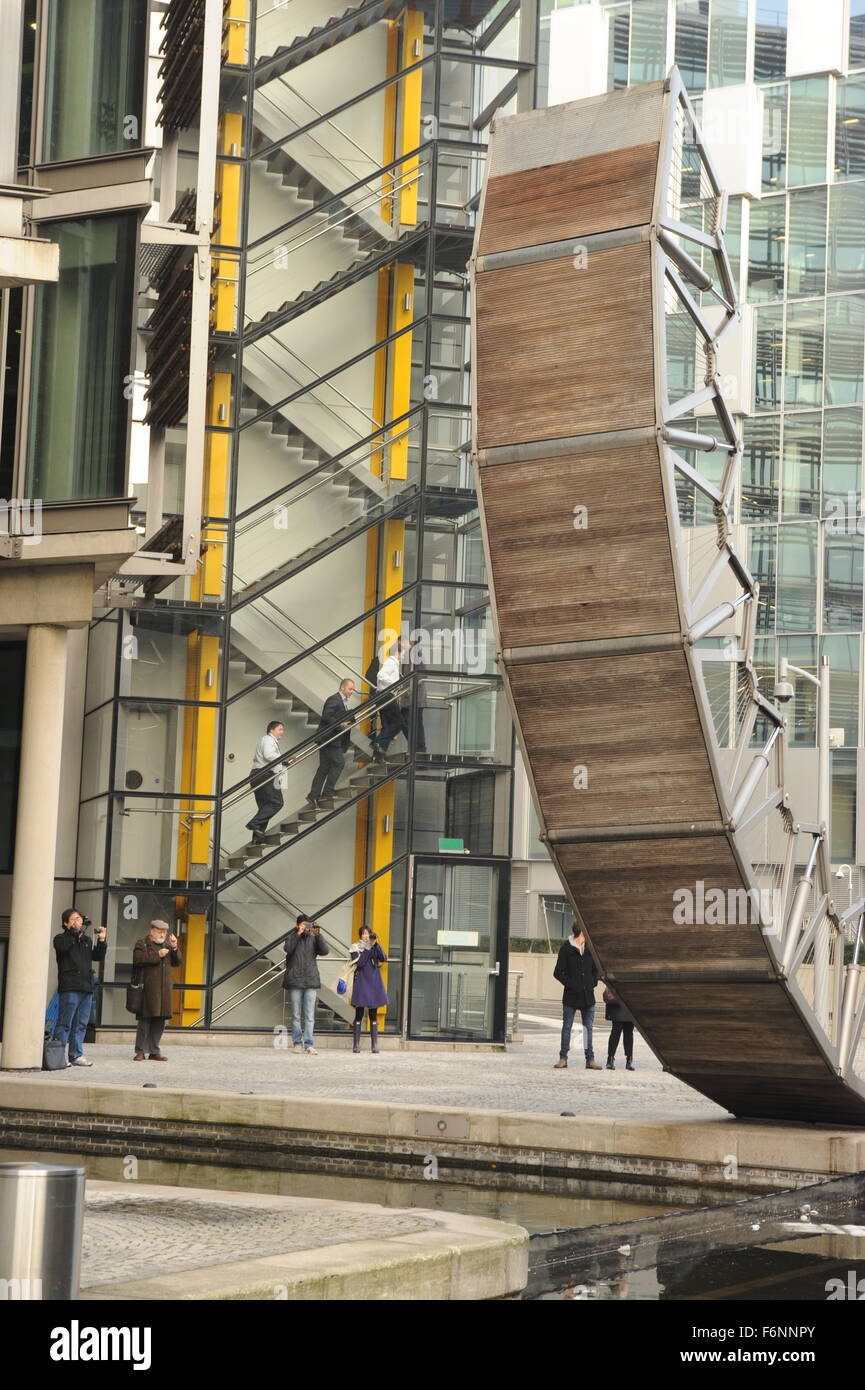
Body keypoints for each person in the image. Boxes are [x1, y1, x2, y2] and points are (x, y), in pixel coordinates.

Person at [52, 909, 107, 1067]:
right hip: (70, 987)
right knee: (65, 1023)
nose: (78, 921)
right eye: (74, 919)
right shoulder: (61, 938)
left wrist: (101, 941)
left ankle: (76, 1055)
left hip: (86, 987)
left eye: (79, 918)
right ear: (66, 923)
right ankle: (58, 1055)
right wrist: (74, 933)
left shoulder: (86, 940)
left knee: (81, 1024)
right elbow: (63, 949)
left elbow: (97, 957)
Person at [553, 923, 601, 1070]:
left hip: (588, 996)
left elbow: (596, 970)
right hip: (571, 996)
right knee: (567, 1027)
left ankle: (590, 1059)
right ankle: (563, 1058)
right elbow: (557, 972)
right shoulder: (566, 948)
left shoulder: (590, 948)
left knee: (588, 1029)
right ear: (581, 932)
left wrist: (592, 982)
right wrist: (571, 983)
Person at [132, 920, 181, 1061]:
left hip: (164, 991)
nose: (162, 934)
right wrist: (157, 955)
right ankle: (140, 1050)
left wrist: (175, 946)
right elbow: (137, 959)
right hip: (147, 989)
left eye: (164, 932)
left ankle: (154, 1050)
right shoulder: (142, 943)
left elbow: (177, 962)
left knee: (160, 1021)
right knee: (145, 1021)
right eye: (159, 931)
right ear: (152, 931)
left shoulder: (167, 945)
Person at [282, 913, 330, 1054]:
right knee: (296, 1015)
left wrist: (318, 935)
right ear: (298, 925)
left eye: (307, 925)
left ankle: (309, 1044)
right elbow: (287, 949)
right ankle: (297, 1043)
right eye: (303, 924)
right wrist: (298, 933)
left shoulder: (314, 938)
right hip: (295, 980)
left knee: (309, 1015)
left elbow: (325, 951)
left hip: (310, 980)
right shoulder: (292, 937)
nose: (306, 927)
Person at [308, 678, 355, 807]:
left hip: (333, 739)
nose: (352, 692)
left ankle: (313, 795)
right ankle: (327, 791)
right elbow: (326, 716)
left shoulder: (343, 702)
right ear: (342, 688)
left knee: (324, 768)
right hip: (329, 739)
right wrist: (340, 724)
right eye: (350, 689)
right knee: (339, 763)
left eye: (353, 689)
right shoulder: (334, 699)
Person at [348, 925, 388, 1053]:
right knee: (359, 1013)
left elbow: (383, 958)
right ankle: (356, 1045)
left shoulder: (373, 946)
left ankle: (374, 1045)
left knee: (373, 1014)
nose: (366, 936)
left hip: (374, 982)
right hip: (361, 981)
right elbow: (359, 963)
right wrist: (366, 948)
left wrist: (376, 944)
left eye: (368, 934)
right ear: (360, 935)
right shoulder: (355, 947)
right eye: (364, 933)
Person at [246, 721, 287, 843]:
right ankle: (253, 823)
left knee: (265, 808)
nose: (282, 732)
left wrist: (284, 763)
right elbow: (268, 755)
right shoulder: (268, 740)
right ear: (271, 730)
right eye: (280, 729)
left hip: (257, 775)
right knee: (277, 803)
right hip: (264, 774)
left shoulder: (267, 740)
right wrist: (285, 759)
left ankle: (257, 838)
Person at [371, 644, 401, 762]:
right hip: (386, 697)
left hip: (383, 696)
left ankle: (378, 756)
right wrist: (395, 683)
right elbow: (381, 675)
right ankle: (377, 743)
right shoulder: (392, 662)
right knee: (398, 724)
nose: (403, 656)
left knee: (387, 727)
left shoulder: (391, 662)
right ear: (397, 653)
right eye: (403, 653)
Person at [398, 637, 427, 753]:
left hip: (414, 697)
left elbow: (421, 675)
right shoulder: (407, 657)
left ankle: (419, 749)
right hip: (409, 697)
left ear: (406, 643)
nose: (400, 648)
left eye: (400, 645)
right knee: (409, 723)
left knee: (415, 724)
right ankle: (416, 748)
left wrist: (408, 690)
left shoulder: (414, 654)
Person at [605, 985, 636, 1071]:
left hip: (629, 1000)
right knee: (616, 1032)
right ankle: (610, 1059)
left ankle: (629, 1059)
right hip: (617, 1001)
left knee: (628, 1033)